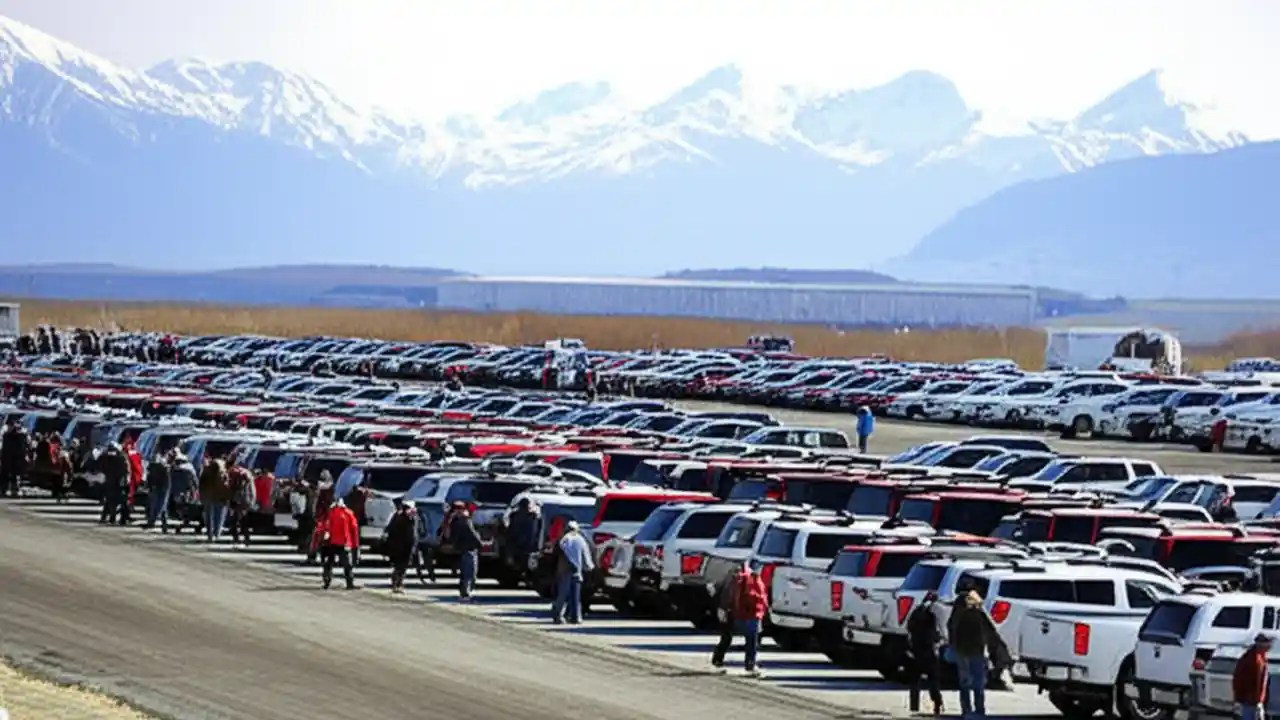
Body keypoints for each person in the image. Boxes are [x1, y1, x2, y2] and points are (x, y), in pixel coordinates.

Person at [947, 588, 1008, 720]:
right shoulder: (979, 614)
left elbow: (951, 628)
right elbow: (990, 631)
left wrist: (952, 644)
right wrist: (998, 650)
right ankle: (979, 709)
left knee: (965, 682)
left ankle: (966, 709)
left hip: (962, 651)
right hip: (977, 651)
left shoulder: (958, 613)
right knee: (978, 683)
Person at [711, 560, 768, 676]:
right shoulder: (755, 578)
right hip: (752, 614)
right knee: (751, 640)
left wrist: (723, 608)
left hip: (734, 613)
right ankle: (750, 665)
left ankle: (717, 661)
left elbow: (725, 596)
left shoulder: (733, 578)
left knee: (726, 637)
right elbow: (763, 599)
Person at [906, 592, 945, 716]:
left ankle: (914, 705)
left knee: (915, 680)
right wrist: (938, 640)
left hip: (916, 649)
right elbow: (935, 633)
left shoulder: (917, 611)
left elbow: (909, 627)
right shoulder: (932, 614)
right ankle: (937, 703)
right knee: (933, 679)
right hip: (929, 650)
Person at [551, 520, 594, 624]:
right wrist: (589, 567)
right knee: (575, 594)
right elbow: (586, 555)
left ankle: (559, 615)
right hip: (577, 570)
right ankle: (575, 616)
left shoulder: (564, 539)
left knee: (563, 594)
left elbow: (557, 552)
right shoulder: (581, 540)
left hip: (564, 570)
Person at [319, 498, 359, 590]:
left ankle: (327, 581)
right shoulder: (347, 513)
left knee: (330, 563)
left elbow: (327, 526)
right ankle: (349, 583)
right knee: (345, 564)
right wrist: (354, 544)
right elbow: (354, 529)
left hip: (336, 542)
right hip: (342, 542)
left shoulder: (333, 512)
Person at [447, 500, 483, 601]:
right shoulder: (465, 519)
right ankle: (466, 592)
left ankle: (463, 591)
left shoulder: (453, 519)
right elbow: (472, 533)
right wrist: (480, 544)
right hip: (469, 548)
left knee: (464, 572)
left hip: (461, 548)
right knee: (470, 572)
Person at [383, 499, 418, 594]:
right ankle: (396, 584)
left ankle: (399, 584)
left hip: (408, 546)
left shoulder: (412, 518)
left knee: (404, 567)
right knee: (399, 566)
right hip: (398, 546)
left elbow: (414, 533)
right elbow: (391, 530)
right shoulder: (398, 517)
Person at [1234, 633, 1271, 720]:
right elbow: (1258, 682)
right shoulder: (1256, 660)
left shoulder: (1254, 657)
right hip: (1252, 700)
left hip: (1250, 700)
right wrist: (1258, 701)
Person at [504, 497, 540, 578]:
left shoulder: (515, 515)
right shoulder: (532, 516)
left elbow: (510, 530)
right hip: (527, 544)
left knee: (518, 563)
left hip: (519, 543)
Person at [198, 456, 231, 542]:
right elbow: (226, 486)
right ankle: (217, 533)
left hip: (208, 496)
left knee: (209, 516)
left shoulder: (206, 471)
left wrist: (201, 495)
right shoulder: (223, 473)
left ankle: (210, 534)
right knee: (219, 516)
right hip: (220, 497)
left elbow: (201, 483)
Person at [97, 442, 130, 525]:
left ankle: (108, 517)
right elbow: (126, 470)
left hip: (110, 481)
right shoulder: (121, 457)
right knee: (118, 501)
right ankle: (114, 518)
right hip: (117, 482)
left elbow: (100, 466)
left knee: (110, 501)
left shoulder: (105, 456)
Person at [168, 450, 198, 535]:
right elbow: (195, 481)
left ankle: (184, 520)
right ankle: (185, 520)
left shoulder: (174, 470)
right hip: (188, 493)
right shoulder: (190, 469)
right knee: (188, 508)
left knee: (182, 508)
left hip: (178, 493)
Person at [227, 463, 257, 547]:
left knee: (235, 521)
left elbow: (231, 489)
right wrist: (252, 501)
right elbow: (252, 491)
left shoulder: (235, 475)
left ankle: (236, 539)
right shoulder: (249, 476)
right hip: (245, 501)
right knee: (244, 521)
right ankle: (246, 539)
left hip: (236, 501)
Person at [1, 418, 30, 498]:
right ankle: (7, 489)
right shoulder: (8, 435)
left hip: (14, 457)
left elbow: (25, 446)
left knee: (14, 474)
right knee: (8, 474)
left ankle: (13, 489)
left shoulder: (17, 435)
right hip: (10, 457)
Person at [144, 453, 172, 532]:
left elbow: (166, 481)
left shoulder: (162, 468)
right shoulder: (154, 467)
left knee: (161, 506)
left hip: (161, 488)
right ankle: (154, 523)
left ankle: (161, 524)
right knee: (157, 506)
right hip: (157, 488)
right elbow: (149, 478)